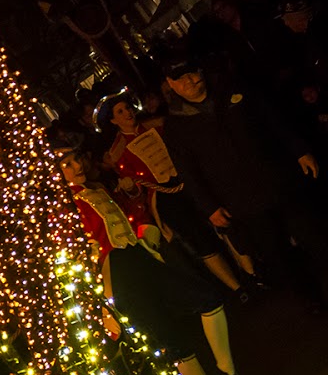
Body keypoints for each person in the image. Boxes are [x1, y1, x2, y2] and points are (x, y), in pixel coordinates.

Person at [54, 138, 253, 375]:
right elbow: (86, 254)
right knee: (171, 339)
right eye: (66, 164)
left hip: (139, 257)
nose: (76, 166)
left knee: (208, 299)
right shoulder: (65, 209)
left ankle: (228, 372)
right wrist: (105, 302)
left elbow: (131, 216)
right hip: (118, 275)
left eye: (76, 159)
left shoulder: (95, 188)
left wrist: (142, 226)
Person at [159, 53, 328, 308]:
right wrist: (210, 206)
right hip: (242, 200)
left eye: (191, 73)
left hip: (279, 179)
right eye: (179, 78)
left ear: (201, 71)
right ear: (171, 84)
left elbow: (273, 120)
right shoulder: (175, 125)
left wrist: (300, 150)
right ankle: (311, 301)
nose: (189, 81)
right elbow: (187, 169)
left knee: (315, 235)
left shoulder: (232, 90)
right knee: (278, 254)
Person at [97, 91, 253, 295]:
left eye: (127, 107)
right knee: (200, 241)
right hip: (166, 199)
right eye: (120, 111)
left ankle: (252, 274)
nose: (127, 112)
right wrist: (131, 189)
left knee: (224, 224)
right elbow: (136, 192)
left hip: (190, 184)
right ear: (113, 120)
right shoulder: (117, 152)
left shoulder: (159, 125)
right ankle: (237, 288)